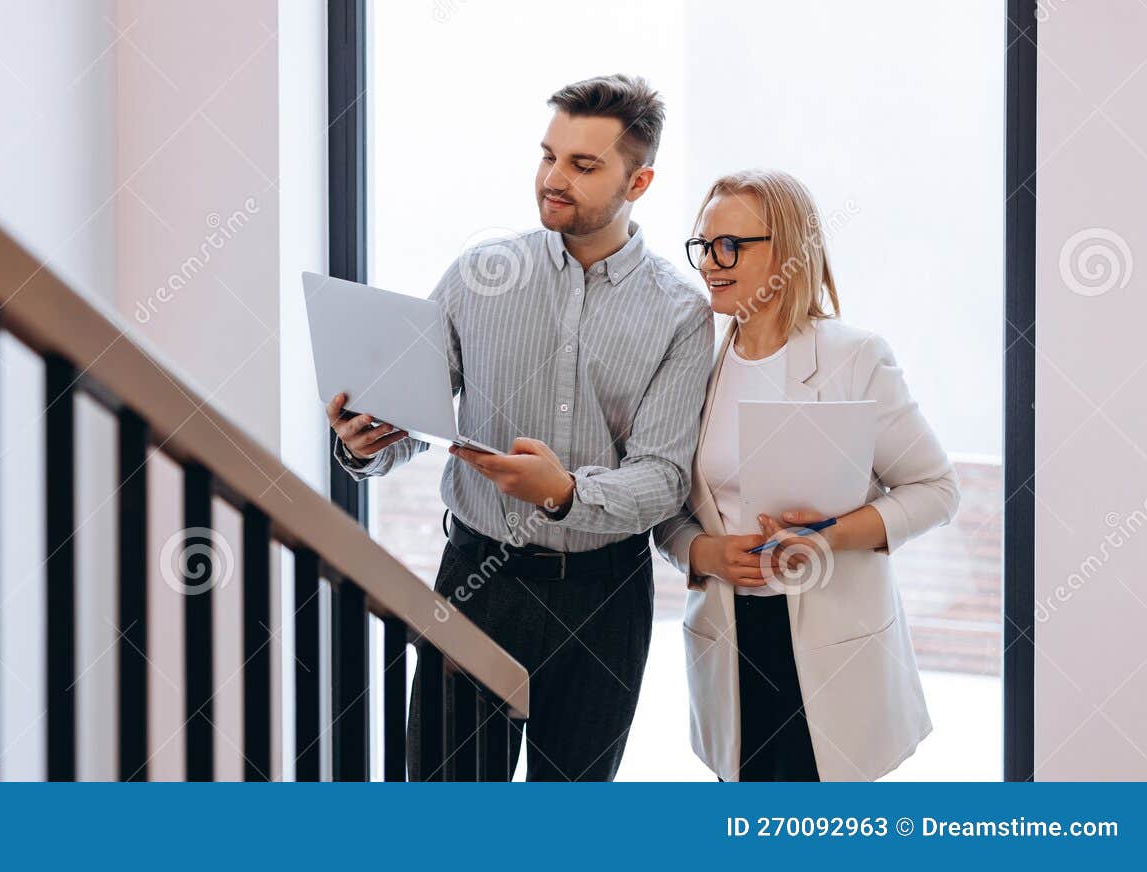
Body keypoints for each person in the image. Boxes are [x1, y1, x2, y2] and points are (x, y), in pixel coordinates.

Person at [326, 74, 712, 781]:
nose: (553, 178)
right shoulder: (478, 273)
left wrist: (565, 493)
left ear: (640, 181)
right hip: (479, 581)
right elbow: (413, 419)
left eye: (583, 165)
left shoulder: (682, 313)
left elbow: (663, 477)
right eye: (548, 155)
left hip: (605, 600)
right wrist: (364, 446)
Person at [653, 169, 961, 782]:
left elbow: (936, 490)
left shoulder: (854, 357)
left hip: (833, 648)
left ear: (787, 252)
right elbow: (668, 504)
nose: (710, 263)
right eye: (704, 245)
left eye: (730, 246)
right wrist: (704, 552)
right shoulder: (694, 363)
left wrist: (831, 536)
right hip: (731, 644)